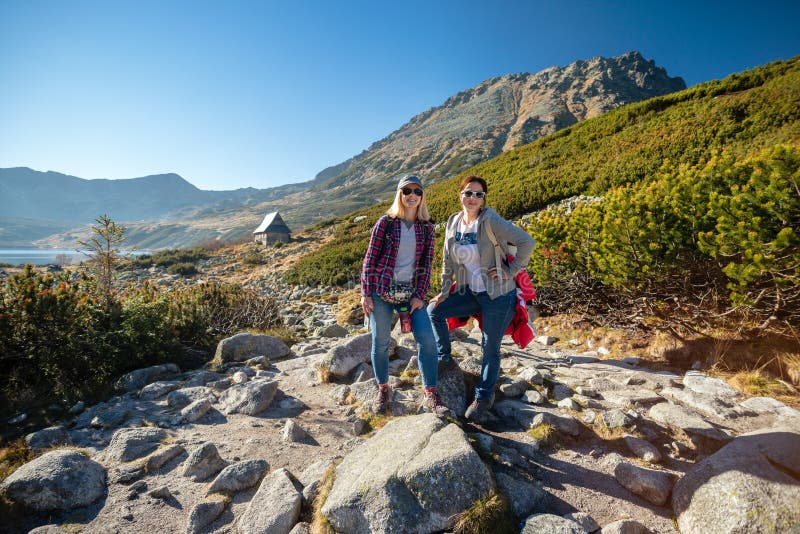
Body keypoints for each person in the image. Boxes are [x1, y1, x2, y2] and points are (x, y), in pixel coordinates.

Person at [427, 175, 535, 422]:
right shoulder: (454, 222)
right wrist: (444, 291)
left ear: (484, 197)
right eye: (468, 193)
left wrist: (509, 272)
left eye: (478, 194)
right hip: (472, 292)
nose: (473, 198)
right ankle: (444, 357)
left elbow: (527, 242)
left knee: (490, 347)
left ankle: (483, 397)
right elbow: (447, 262)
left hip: (498, 295)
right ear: (460, 195)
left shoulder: (489, 220)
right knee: (434, 310)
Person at [361, 175, 448, 415]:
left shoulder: (427, 227)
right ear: (399, 194)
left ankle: (430, 393)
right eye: (407, 191)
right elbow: (370, 258)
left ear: (422, 196)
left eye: (417, 191)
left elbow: (427, 264)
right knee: (380, 343)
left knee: (427, 341)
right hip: (381, 292)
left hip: (411, 295)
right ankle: (383, 389)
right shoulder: (385, 223)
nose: (412, 195)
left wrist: (420, 295)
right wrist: (365, 292)